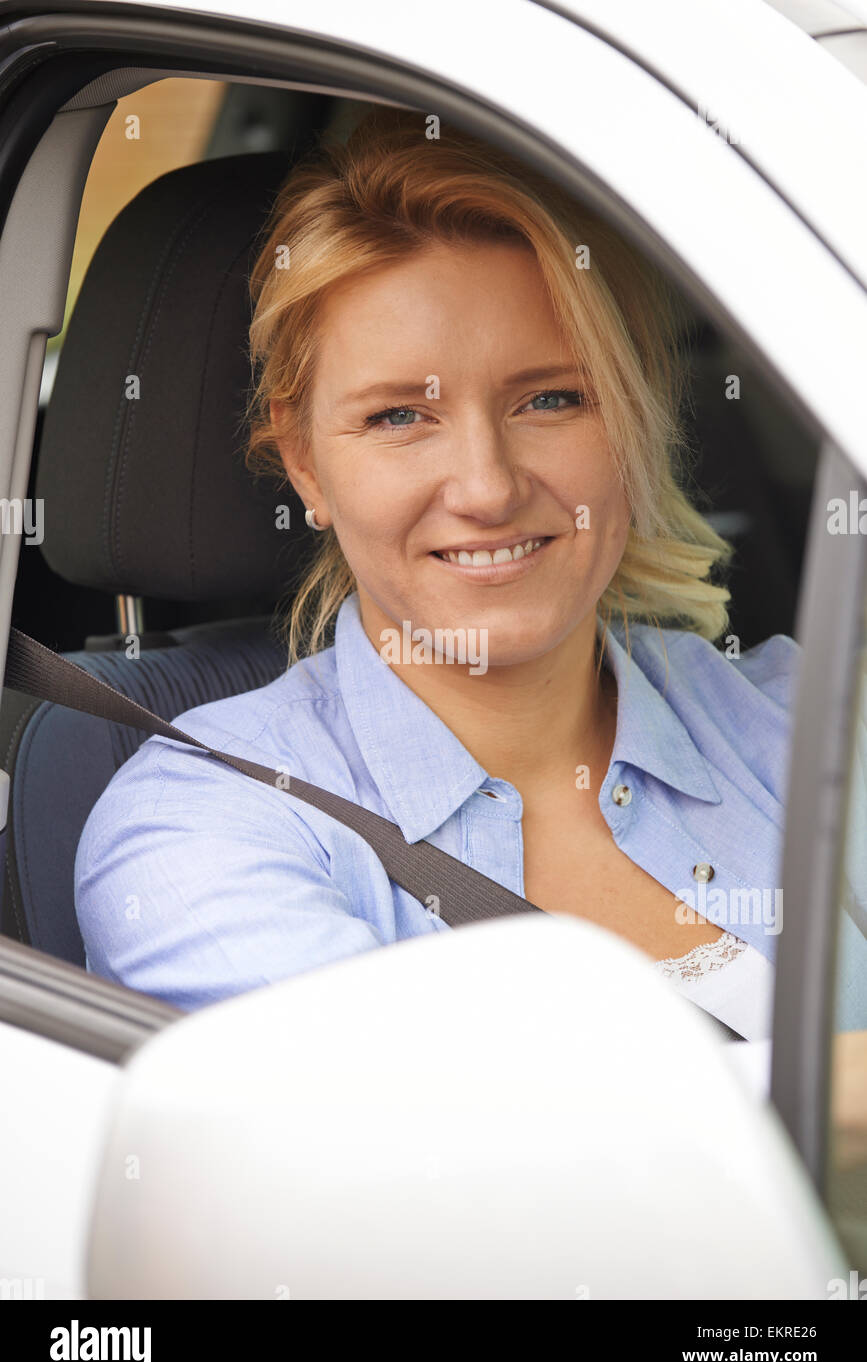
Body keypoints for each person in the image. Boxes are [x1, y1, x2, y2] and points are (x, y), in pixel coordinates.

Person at [74, 106, 867, 1037]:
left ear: (634, 424)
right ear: (302, 464)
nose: (487, 488)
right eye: (399, 417)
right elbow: (460, 1152)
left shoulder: (803, 720)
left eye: (551, 398)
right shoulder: (200, 827)